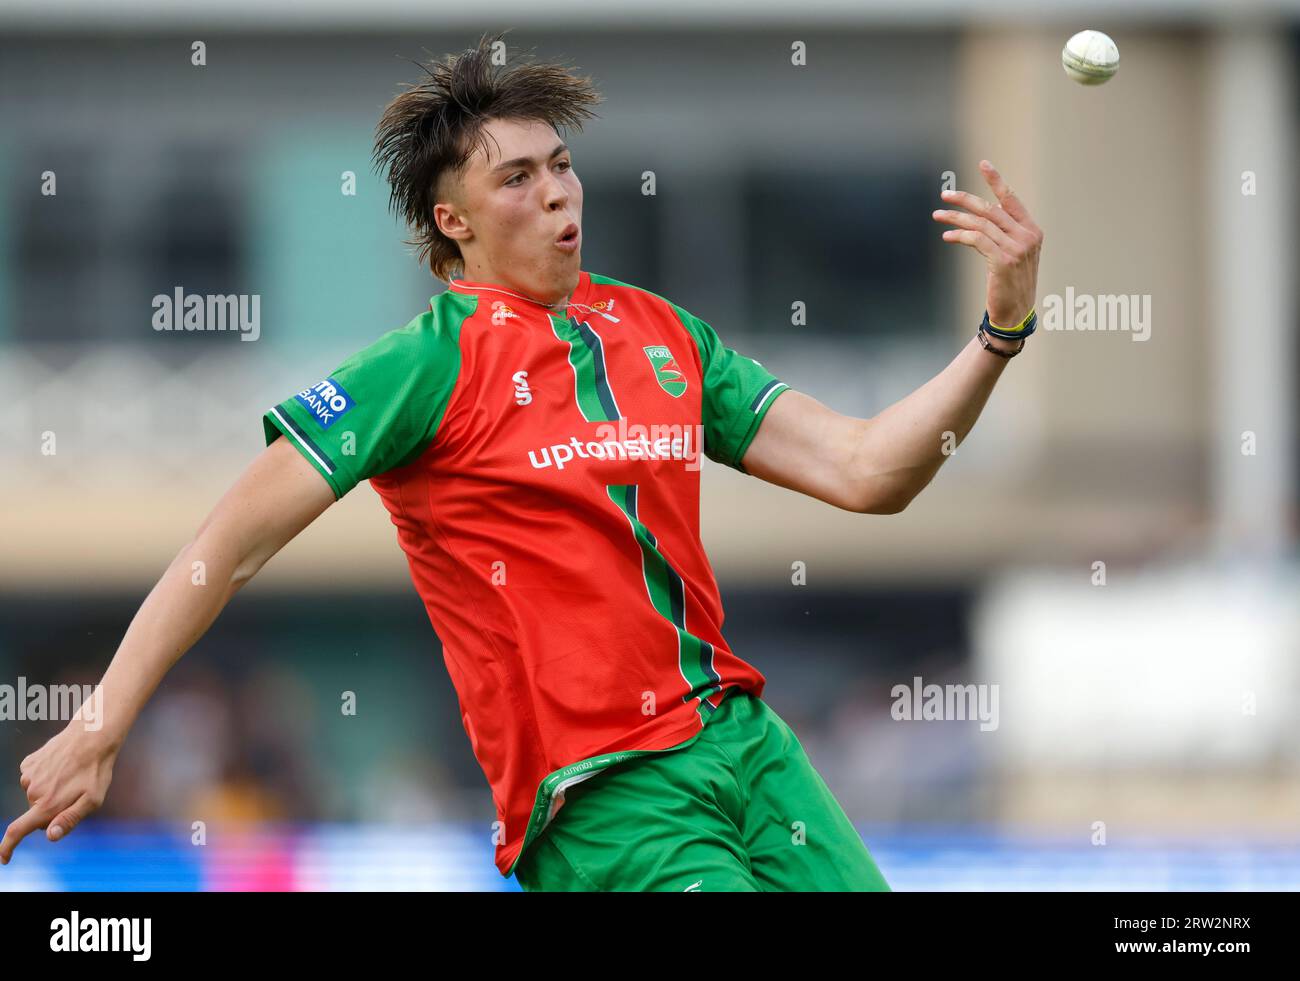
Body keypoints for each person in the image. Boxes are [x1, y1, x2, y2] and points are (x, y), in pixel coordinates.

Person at [2, 33, 1043, 891]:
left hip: (751, 748)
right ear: (452, 222)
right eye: (517, 177)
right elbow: (223, 548)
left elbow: (868, 473)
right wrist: (101, 724)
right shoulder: (418, 368)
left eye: (561, 166)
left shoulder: (659, 333)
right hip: (602, 796)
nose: (556, 194)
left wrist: (999, 332)